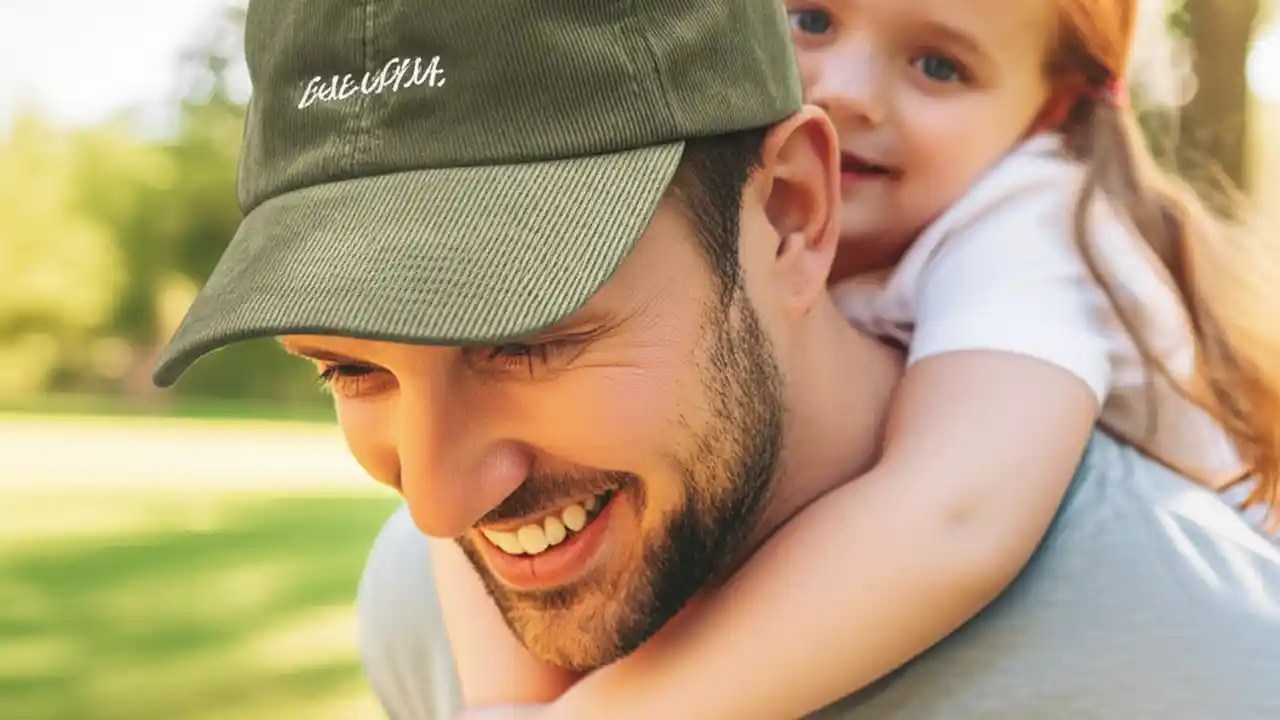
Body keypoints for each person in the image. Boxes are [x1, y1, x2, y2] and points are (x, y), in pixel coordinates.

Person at [151, 0, 1280, 718]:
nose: (440, 509)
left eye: (532, 336)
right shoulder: (427, 590)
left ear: (796, 208)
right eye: (354, 368)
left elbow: (951, 515)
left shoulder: (1033, 240)